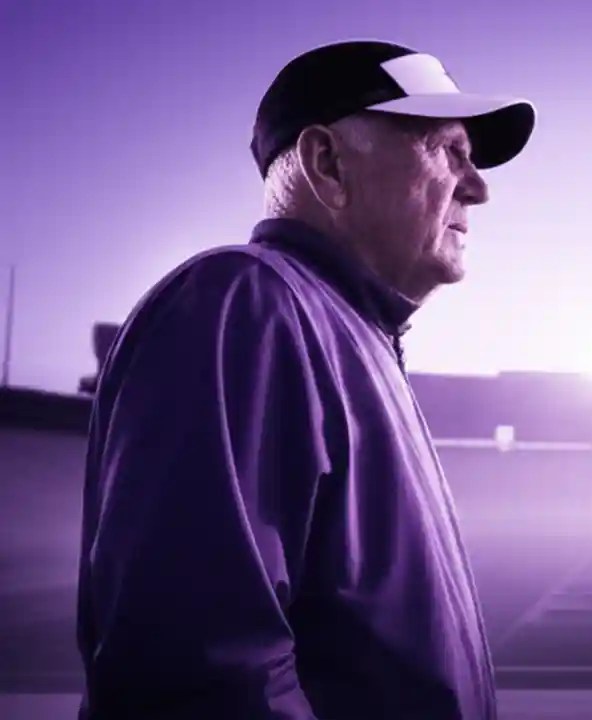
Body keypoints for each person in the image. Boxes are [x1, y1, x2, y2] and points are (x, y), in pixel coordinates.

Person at [75, 40, 535, 720]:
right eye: (448, 151)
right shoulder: (245, 305)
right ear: (327, 164)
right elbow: (200, 675)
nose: (479, 186)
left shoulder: (352, 335)